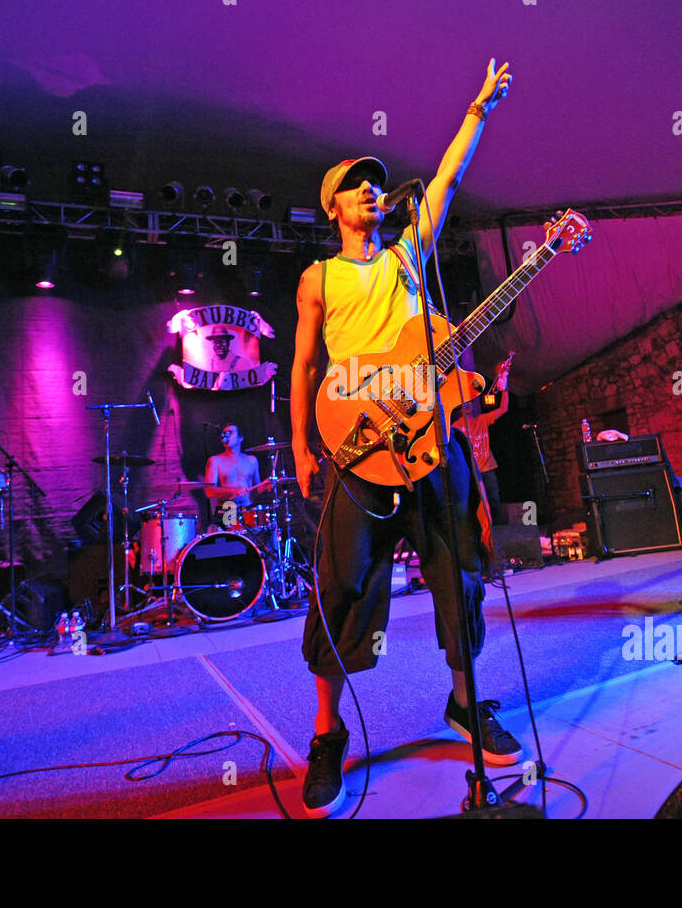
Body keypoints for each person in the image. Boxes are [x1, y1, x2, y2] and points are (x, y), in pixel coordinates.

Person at [290, 59, 520, 818]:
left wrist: (476, 112)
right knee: (344, 586)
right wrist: (298, 446)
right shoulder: (322, 276)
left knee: (460, 570)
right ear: (334, 206)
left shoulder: (404, 258)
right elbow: (302, 364)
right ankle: (328, 735)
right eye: (355, 183)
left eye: (374, 181)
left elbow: (447, 183)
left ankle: (465, 703)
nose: (370, 189)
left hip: (431, 437)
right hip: (357, 445)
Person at [453, 353, 512, 525]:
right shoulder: (455, 426)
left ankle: (500, 533)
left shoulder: (481, 421)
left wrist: (504, 387)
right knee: (475, 506)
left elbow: (503, 409)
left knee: (494, 501)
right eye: (465, 404)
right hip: (470, 471)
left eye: (471, 404)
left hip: (487, 467)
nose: (469, 407)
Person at [203, 424, 269, 518]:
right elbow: (209, 491)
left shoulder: (252, 460)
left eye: (230, 433)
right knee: (226, 531)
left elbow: (256, 491)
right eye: (224, 433)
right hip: (227, 510)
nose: (226, 436)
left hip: (247, 509)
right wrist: (233, 490)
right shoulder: (215, 460)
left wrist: (266, 486)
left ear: (240, 438)